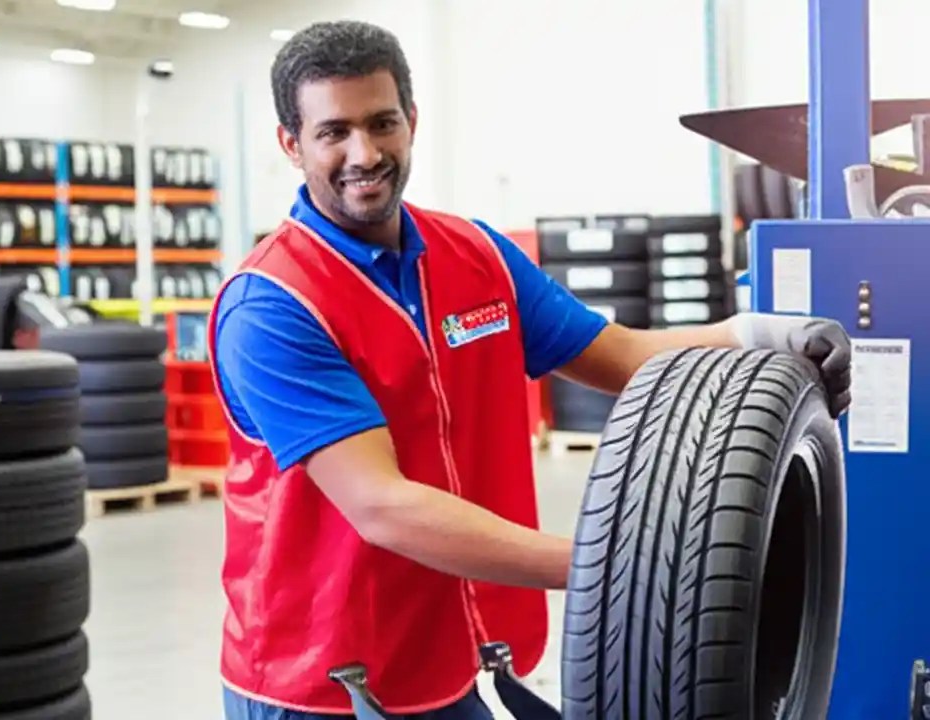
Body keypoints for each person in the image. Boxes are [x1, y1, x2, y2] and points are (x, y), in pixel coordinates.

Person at [210, 19, 851, 720]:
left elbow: (620, 354)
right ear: (290, 144)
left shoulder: (475, 256)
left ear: (412, 121)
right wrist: (607, 566)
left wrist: (759, 336)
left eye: (381, 122)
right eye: (333, 132)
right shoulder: (272, 306)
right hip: (324, 684)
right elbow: (381, 506)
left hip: (448, 662)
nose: (364, 153)